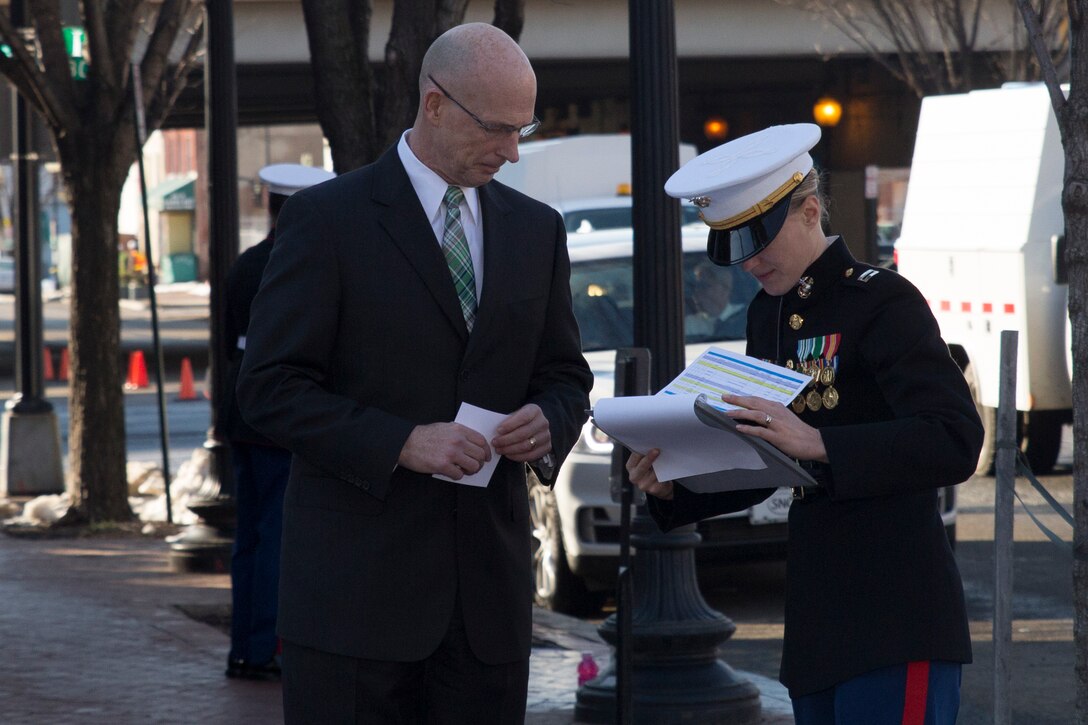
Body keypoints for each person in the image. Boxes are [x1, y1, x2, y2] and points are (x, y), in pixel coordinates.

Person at [236, 23, 592, 724]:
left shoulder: (536, 230)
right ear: (434, 105)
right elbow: (267, 389)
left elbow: (565, 375)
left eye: (525, 129)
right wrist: (401, 441)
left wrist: (548, 420)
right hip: (354, 607)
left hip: (486, 610)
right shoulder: (327, 221)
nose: (512, 151)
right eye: (497, 128)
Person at [628, 123, 983, 724]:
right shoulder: (769, 315)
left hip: (897, 615)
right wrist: (675, 483)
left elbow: (954, 438)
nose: (748, 262)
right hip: (820, 623)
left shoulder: (882, 302)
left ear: (810, 210)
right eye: (735, 246)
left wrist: (820, 442)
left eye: (759, 242)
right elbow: (772, 460)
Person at [222, 163, 335, 681]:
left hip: (241, 420)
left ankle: (244, 645)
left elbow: (228, 345)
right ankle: (266, 645)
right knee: (276, 538)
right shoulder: (298, 262)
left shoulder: (247, 262)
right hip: (279, 424)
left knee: (248, 538)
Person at [684, 259, 746, 340]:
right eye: (696, 286)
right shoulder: (690, 324)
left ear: (724, 289)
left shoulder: (746, 317)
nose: (697, 292)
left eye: (704, 286)